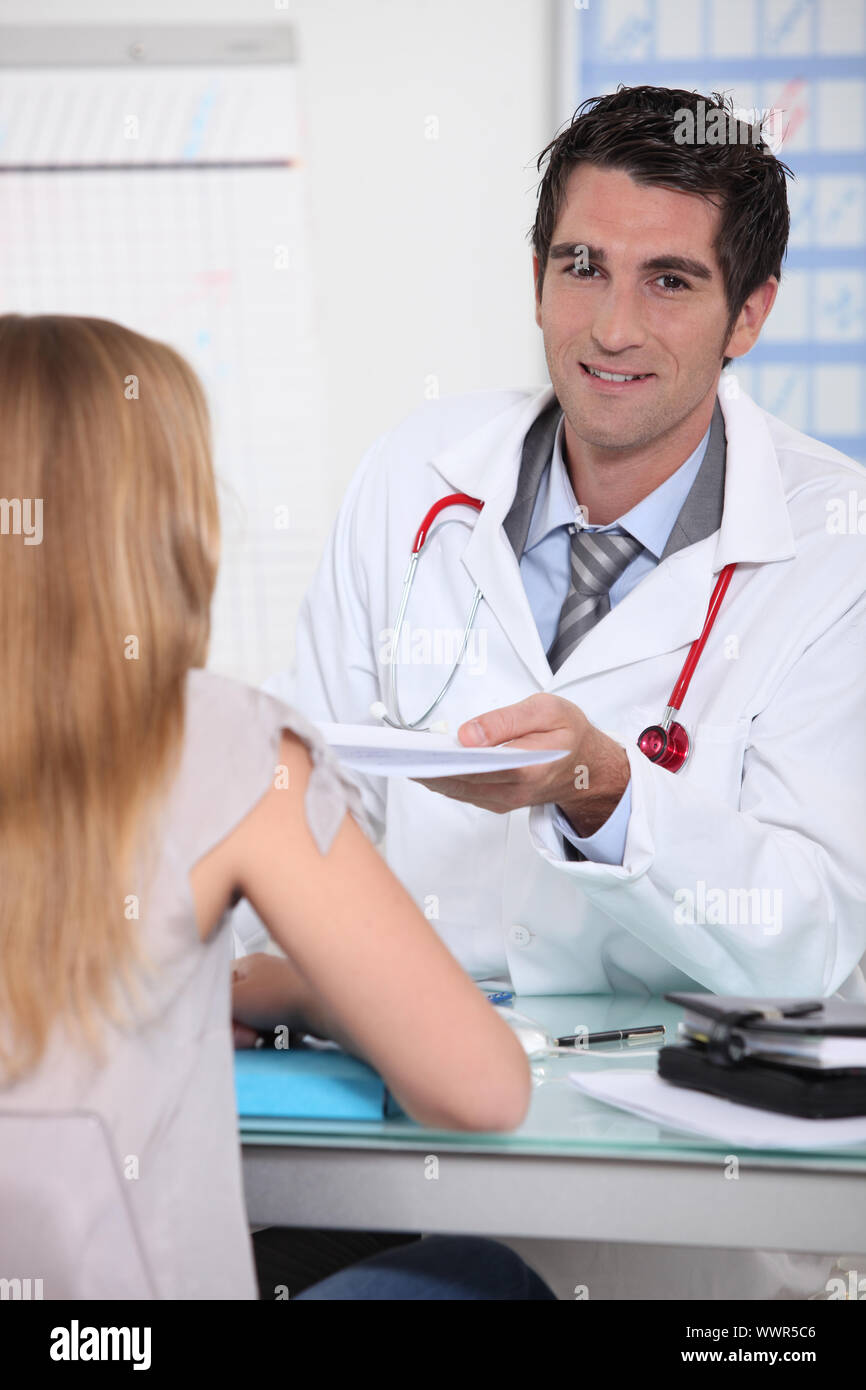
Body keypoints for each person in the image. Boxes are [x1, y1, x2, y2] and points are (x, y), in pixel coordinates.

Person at [234, 86, 866, 1299]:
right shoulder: (413, 476)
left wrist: (607, 788)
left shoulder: (836, 540)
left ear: (750, 314)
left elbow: (813, 927)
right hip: (390, 1116)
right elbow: (309, 810)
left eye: (669, 281)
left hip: (674, 1183)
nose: (610, 326)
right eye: (581, 266)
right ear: (534, 276)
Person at [0, 312, 550, 1301]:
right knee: (476, 1275)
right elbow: (482, 1089)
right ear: (158, 517)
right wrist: (296, 990)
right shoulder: (218, 740)